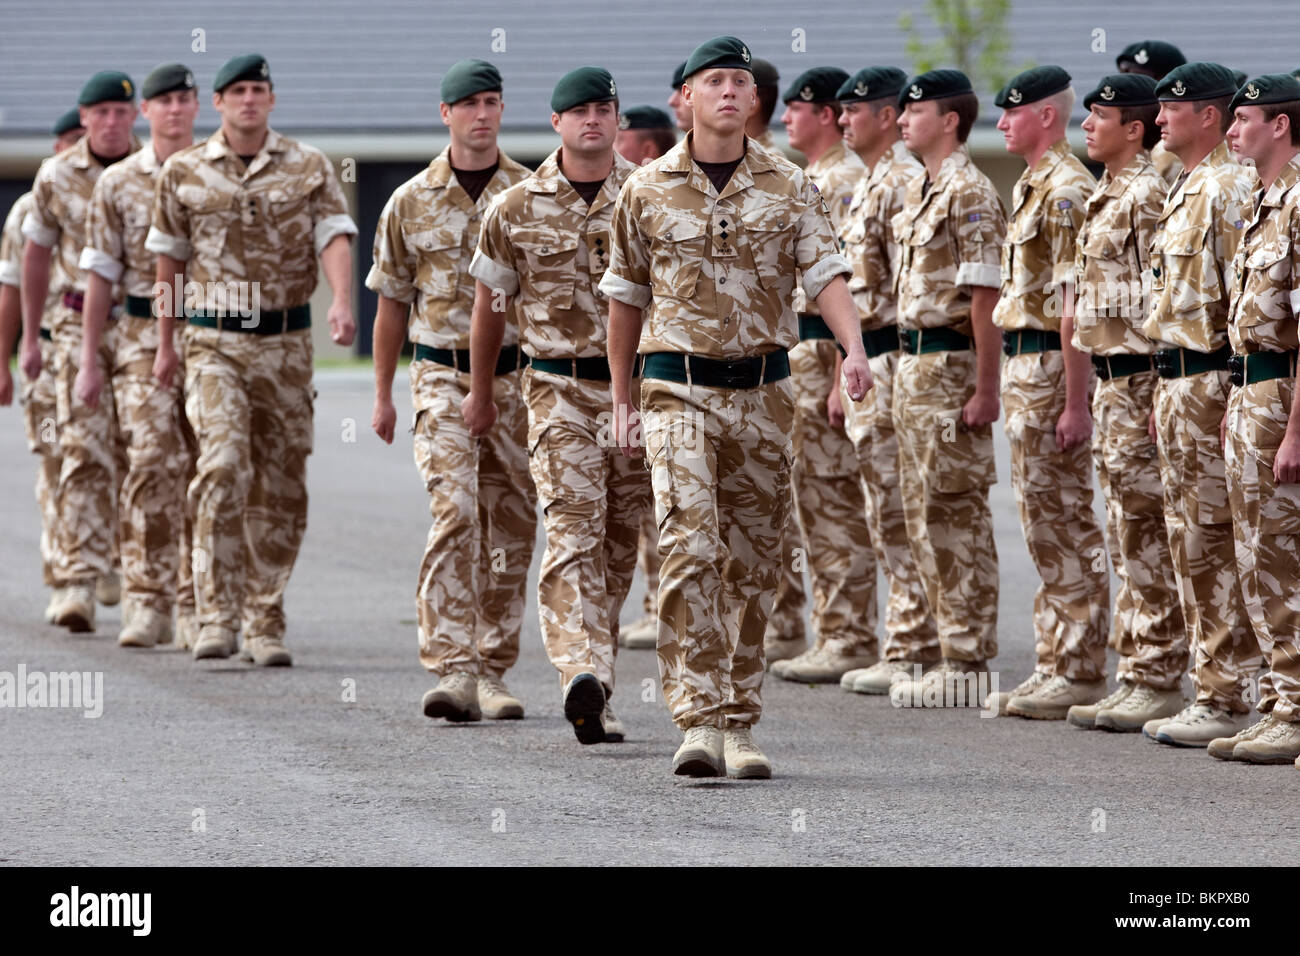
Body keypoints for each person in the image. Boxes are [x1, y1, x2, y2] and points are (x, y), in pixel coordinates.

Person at [601, 36, 870, 778]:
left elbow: (826, 273)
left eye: (739, 82)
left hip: (762, 391)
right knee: (688, 545)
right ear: (686, 97)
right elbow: (625, 300)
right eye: (712, 81)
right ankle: (696, 718)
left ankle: (740, 720)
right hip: (674, 389)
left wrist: (852, 348)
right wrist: (621, 399)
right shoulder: (646, 188)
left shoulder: (789, 184)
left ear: (755, 100)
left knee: (756, 559)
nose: (727, 92)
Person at [148, 53, 358, 666]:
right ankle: (214, 614)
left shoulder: (309, 166)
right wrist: (165, 344)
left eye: (258, 90)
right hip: (214, 343)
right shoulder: (185, 171)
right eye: (237, 91)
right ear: (218, 103)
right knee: (223, 462)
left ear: (271, 99)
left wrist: (341, 302)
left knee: (283, 479)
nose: (247, 100)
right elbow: (170, 262)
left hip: (288, 343)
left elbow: (334, 235)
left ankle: (265, 617)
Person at [466, 67, 651, 744]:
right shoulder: (515, 207)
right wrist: (482, 391)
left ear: (617, 119)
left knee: (621, 539)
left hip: (637, 392)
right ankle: (582, 669)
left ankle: (597, 681)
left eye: (604, 108)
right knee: (573, 529)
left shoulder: (650, 194)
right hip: (556, 392)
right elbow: (490, 310)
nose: (592, 120)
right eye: (578, 111)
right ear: (555, 123)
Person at [367, 59, 536, 720]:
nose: (482, 114)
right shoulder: (410, 200)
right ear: (446, 114)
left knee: (513, 521)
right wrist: (382, 395)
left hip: (519, 378)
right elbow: (390, 306)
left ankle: (494, 668)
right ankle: (453, 667)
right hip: (440, 371)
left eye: (492, 101)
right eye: (468, 103)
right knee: (458, 510)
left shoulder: (529, 193)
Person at [1117, 62, 1259, 738]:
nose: (1160, 116)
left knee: (1213, 542)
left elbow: (1245, 303)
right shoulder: (1186, 186)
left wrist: (1235, 383)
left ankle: (1229, 694)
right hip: (1176, 382)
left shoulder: (1229, 187)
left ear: (1208, 114)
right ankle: (1214, 687)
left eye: (1173, 106)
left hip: (1211, 380)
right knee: (1186, 538)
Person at [985, 66, 1110, 719]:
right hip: (1026, 367)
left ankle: (1083, 664)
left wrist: (1074, 400)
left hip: (1049, 368)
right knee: (1040, 519)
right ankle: (1058, 657)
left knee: (1064, 516)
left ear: (1046, 117)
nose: (1001, 122)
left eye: (1013, 112)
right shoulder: (1036, 187)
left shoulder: (1066, 190)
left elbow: (1074, 307)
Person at [1063, 74, 1187, 732]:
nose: (1086, 124)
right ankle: (1141, 666)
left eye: (1099, 114)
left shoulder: (1146, 193)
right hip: (1111, 380)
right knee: (1125, 527)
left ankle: (1160, 673)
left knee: (1146, 528)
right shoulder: (1107, 192)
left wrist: (1163, 382)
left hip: (1140, 375)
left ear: (1133, 129)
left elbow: (1165, 293)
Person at [887, 69, 1006, 709]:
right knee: (922, 513)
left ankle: (968, 656)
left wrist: (987, 388)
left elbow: (986, 298)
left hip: (952, 366)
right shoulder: (922, 189)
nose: (902, 120)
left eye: (915, 109)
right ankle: (945, 647)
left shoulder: (970, 191)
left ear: (950, 120)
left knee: (955, 512)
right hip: (914, 371)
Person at [78, 62, 200, 649]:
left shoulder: (215, 174)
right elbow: (99, 274)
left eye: (184, 99)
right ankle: (147, 600)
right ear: (144, 113)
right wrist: (86, 359)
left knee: (209, 470)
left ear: (197, 108)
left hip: (212, 338)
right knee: (151, 462)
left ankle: (200, 600)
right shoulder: (117, 182)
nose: (174, 109)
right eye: (163, 101)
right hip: (139, 339)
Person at [832, 66, 941, 696]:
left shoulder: (903, 180)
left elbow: (907, 287)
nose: (846, 120)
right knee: (882, 504)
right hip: (871, 356)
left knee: (902, 502)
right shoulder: (878, 179)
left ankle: (915, 644)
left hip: (897, 358)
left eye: (856, 110)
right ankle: (904, 640)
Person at [769, 66, 877, 685]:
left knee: (833, 498)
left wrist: (841, 369)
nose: (790, 117)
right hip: (803, 355)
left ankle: (849, 632)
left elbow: (844, 284)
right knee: (811, 497)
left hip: (824, 350)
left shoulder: (840, 181)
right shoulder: (813, 176)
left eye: (800, 107)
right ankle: (835, 629)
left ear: (829, 114)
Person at [21, 71, 140, 633]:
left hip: (142, 323)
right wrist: (27, 339)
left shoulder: (162, 169)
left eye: (122, 111)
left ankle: (137, 575)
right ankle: (77, 582)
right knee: (82, 447)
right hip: (73, 325)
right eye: (102, 113)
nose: (113, 122)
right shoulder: (56, 176)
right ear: (84, 117)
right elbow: (35, 259)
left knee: (145, 452)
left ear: (134, 114)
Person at [1211, 73, 1300, 765]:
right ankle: (1279, 705)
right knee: (1255, 559)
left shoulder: (1299, 201)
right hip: (1250, 394)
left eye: (1243, 119)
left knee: (1281, 562)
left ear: (1280, 125)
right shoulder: (1262, 201)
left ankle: (1295, 710)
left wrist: (1295, 430)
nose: (1232, 131)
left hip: (1282, 399)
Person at [0, 109, 85, 623]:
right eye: (72, 140)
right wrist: (6, 359)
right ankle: (64, 576)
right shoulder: (28, 210)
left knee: (112, 459)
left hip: (107, 348)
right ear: (56, 148)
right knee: (57, 459)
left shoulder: (127, 193)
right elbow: (9, 290)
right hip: (48, 352)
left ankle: (107, 559)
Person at [1116, 39, 1187, 186]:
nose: (1125, 87)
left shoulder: (1170, 152)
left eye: (1139, 79)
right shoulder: (1124, 140)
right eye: (1124, 76)